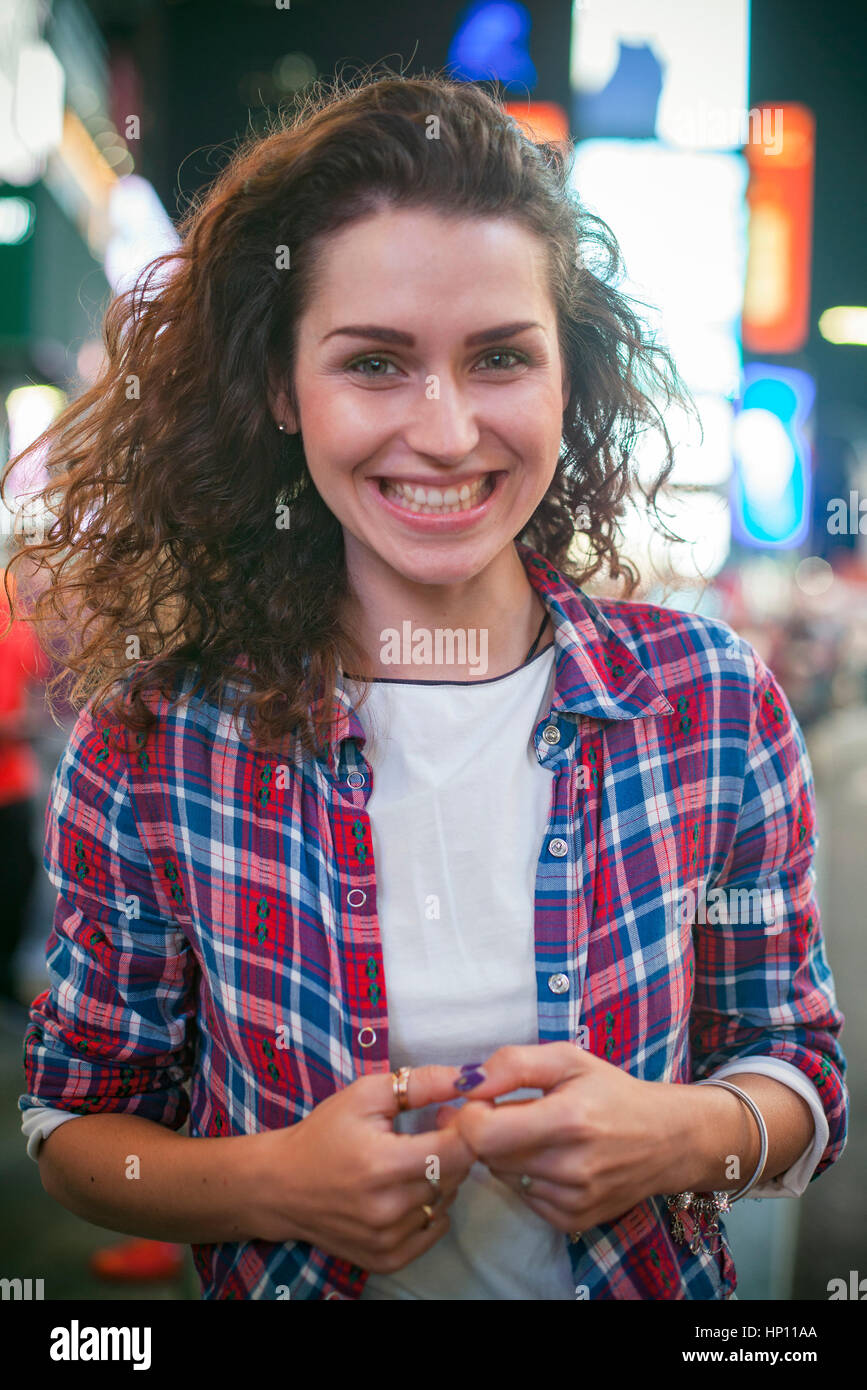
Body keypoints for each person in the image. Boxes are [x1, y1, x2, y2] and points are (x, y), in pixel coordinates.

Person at [7, 71, 848, 1301]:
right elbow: (73, 1128)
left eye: (502, 356)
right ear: (284, 392)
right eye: (377, 364)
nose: (448, 431)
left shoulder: (710, 704)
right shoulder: (154, 743)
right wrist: (272, 1181)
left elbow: (801, 1072)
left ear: (572, 380)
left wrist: (674, 1136)